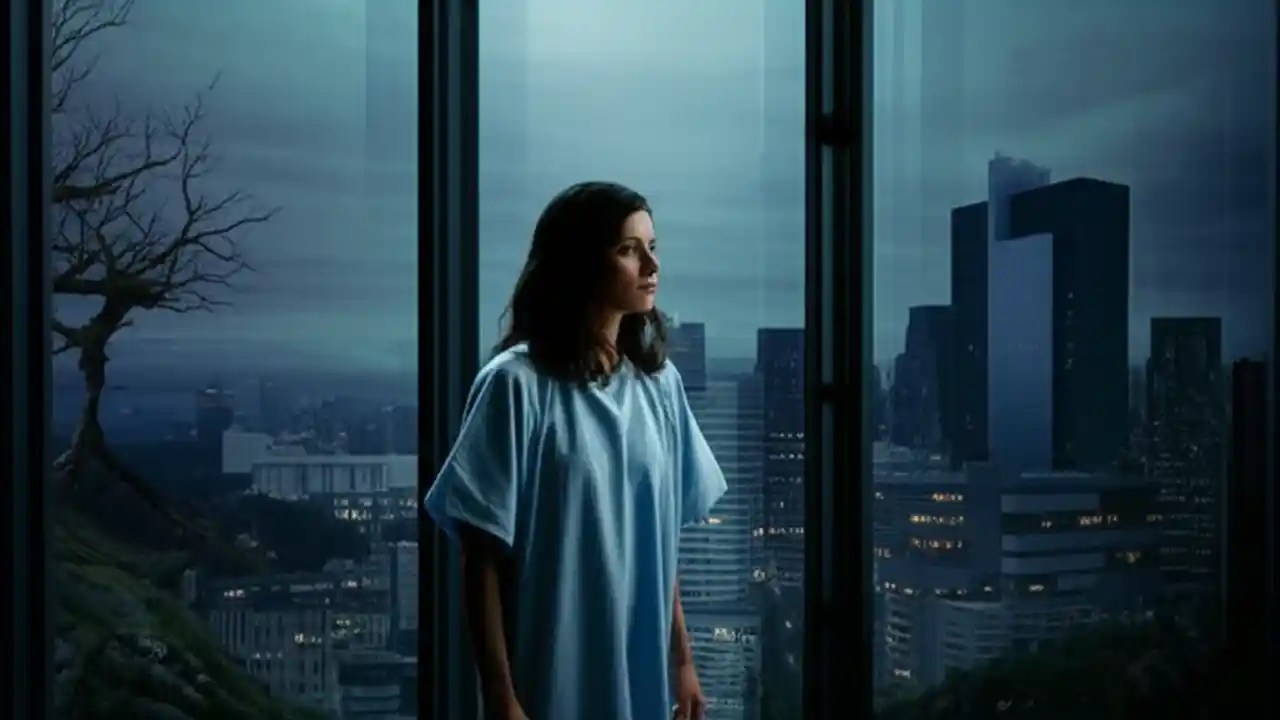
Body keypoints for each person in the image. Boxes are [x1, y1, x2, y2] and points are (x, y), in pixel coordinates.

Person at [423, 180, 728, 720]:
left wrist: (682, 661)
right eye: (628, 250)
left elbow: (659, 539)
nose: (651, 267)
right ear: (581, 264)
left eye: (652, 248)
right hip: (548, 678)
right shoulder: (515, 387)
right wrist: (499, 694)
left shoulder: (660, 386)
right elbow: (480, 560)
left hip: (643, 681)